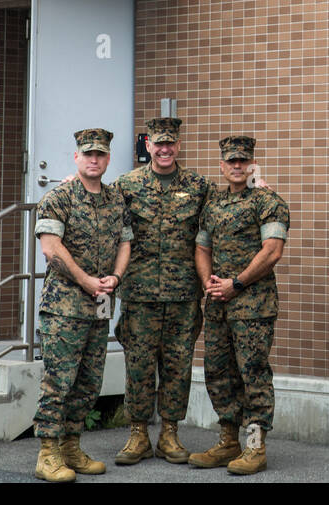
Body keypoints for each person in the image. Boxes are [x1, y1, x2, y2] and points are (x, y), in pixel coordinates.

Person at [31, 127, 131, 483]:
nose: (93, 159)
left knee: (89, 383)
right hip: (65, 308)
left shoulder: (115, 199)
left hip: (100, 307)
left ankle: (72, 446)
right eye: (87, 153)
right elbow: (51, 248)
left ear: (107, 159)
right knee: (59, 382)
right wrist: (86, 280)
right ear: (76, 157)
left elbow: (124, 241)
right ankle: (48, 453)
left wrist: (115, 277)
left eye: (100, 154)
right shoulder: (59, 197)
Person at [111, 116, 211, 465]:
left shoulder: (199, 187)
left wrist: (261, 186)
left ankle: (170, 433)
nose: (165, 149)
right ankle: (138, 434)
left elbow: (220, 220)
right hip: (139, 294)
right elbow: (97, 206)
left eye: (171, 144)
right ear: (148, 146)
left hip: (183, 295)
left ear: (178, 146)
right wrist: (69, 183)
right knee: (137, 364)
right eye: (158, 143)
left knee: (178, 365)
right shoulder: (126, 185)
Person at [189, 135, 289, 475]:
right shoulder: (213, 204)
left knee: (253, 374)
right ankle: (228, 440)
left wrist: (238, 283)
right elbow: (202, 247)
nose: (236, 166)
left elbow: (272, 251)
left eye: (242, 161)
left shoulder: (267, 201)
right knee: (218, 372)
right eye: (231, 161)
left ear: (252, 164)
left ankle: (255, 447)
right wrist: (208, 283)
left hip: (253, 307)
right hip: (218, 303)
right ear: (221, 165)